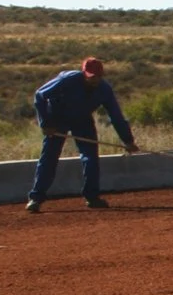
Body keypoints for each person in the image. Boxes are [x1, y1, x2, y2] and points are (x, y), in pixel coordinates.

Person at [27, 57, 138, 211]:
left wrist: (128, 140)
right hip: (57, 118)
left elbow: (116, 116)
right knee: (49, 157)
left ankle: (92, 197)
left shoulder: (105, 90)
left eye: (98, 77)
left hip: (82, 120)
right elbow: (40, 96)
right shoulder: (67, 80)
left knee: (90, 157)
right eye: (91, 76)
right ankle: (36, 199)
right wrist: (46, 123)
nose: (94, 80)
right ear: (84, 73)